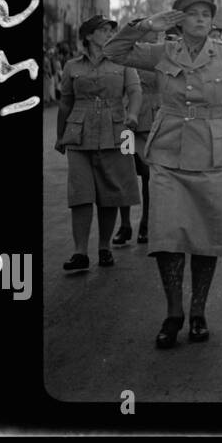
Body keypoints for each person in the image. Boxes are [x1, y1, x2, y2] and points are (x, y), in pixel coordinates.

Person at [103, 0, 222, 349]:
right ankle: (174, 312)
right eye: (192, 13)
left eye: (206, 14)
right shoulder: (163, 51)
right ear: (178, 19)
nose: (200, 19)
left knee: (207, 234)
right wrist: (144, 26)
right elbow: (112, 52)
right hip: (169, 154)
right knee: (167, 234)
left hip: (214, 156)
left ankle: (198, 312)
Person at [55, 16, 142, 272]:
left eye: (110, 30)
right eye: (103, 30)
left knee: (111, 192)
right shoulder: (71, 66)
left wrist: (134, 114)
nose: (108, 33)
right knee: (80, 194)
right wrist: (60, 136)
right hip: (79, 135)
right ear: (89, 36)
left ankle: (104, 247)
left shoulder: (124, 60)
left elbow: (135, 92)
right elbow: (65, 103)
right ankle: (80, 252)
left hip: (117, 131)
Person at [111, 27, 162, 246]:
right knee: (125, 172)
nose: (156, 35)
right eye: (152, 32)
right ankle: (125, 225)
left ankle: (147, 223)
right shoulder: (126, 56)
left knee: (150, 175)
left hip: (154, 123)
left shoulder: (163, 55)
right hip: (127, 124)